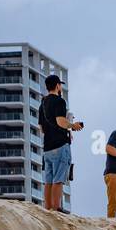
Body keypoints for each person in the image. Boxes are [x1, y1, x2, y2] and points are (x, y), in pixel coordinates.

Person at [38, 75, 82, 212]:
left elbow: (41, 128)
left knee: (48, 180)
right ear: (57, 86)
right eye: (60, 85)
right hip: (60, 145)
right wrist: (73, 125)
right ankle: (56, 208)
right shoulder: (59, 101)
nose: (61, 87)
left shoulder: (42, 103)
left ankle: (48, 208)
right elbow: (60, 121)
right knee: (58, 180)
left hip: (47, 147)